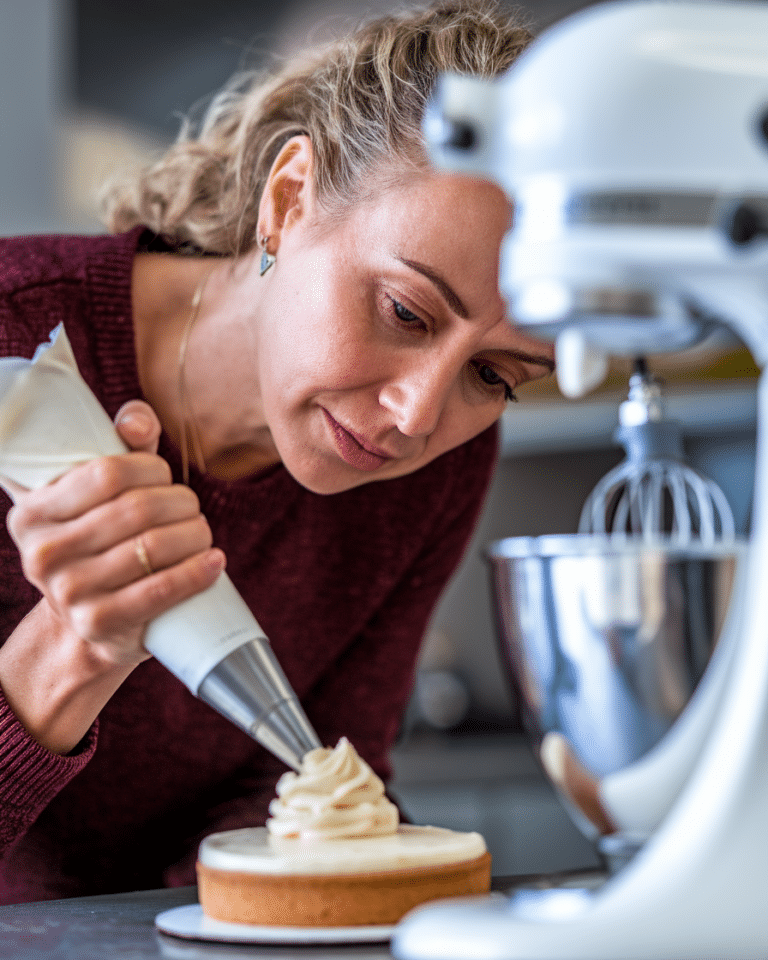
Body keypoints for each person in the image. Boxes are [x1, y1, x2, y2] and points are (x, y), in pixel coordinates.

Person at [0, 0, 554, 904]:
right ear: (289, 200)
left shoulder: (434, 470)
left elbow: (309, 778)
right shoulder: (13, 331)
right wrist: (72, 649)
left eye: (494, 375)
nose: (417, 415)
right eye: (406, 312)